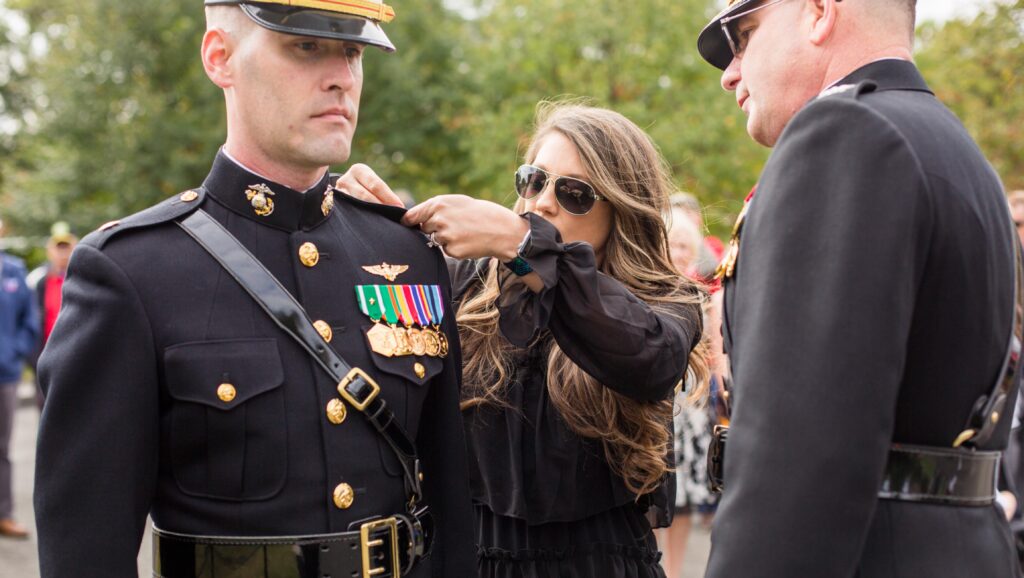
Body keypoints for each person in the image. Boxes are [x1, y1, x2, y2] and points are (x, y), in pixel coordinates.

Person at [34, 2, 475, 577]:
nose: (341, 75)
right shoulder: (132, 273)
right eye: (305, 47)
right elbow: (85, 551)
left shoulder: (406, 255)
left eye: (353, 52)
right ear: (221, 58)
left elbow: (451, 507)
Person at [696, 1, 1021, 576]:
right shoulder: (950, 145)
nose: (729, 72)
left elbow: (796, 470)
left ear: (819, 11)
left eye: (743, 36)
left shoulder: (843, 135)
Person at [338, 102, 708, 578]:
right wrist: (379, 229)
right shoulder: (471, 283)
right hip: (468, 560)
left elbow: (649, 357)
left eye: (574, 192)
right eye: (535, 180)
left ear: (621, 209)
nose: (545, 202)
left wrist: (522, 243)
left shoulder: (666, 302)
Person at [0, 216, 39, 540]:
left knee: (2, 447)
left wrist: (15, 352)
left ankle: (4, 514)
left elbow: (30, 320)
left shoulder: (13, 271)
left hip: (5, 374)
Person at [26, 222, 78, 409]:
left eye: (67, 246)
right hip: (45, 359)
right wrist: (34, 358)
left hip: (76, 358)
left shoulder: (85, 277)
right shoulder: (37, 280)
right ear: (50, 249)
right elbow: (28, 319)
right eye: (59, 247)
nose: (63, 252)